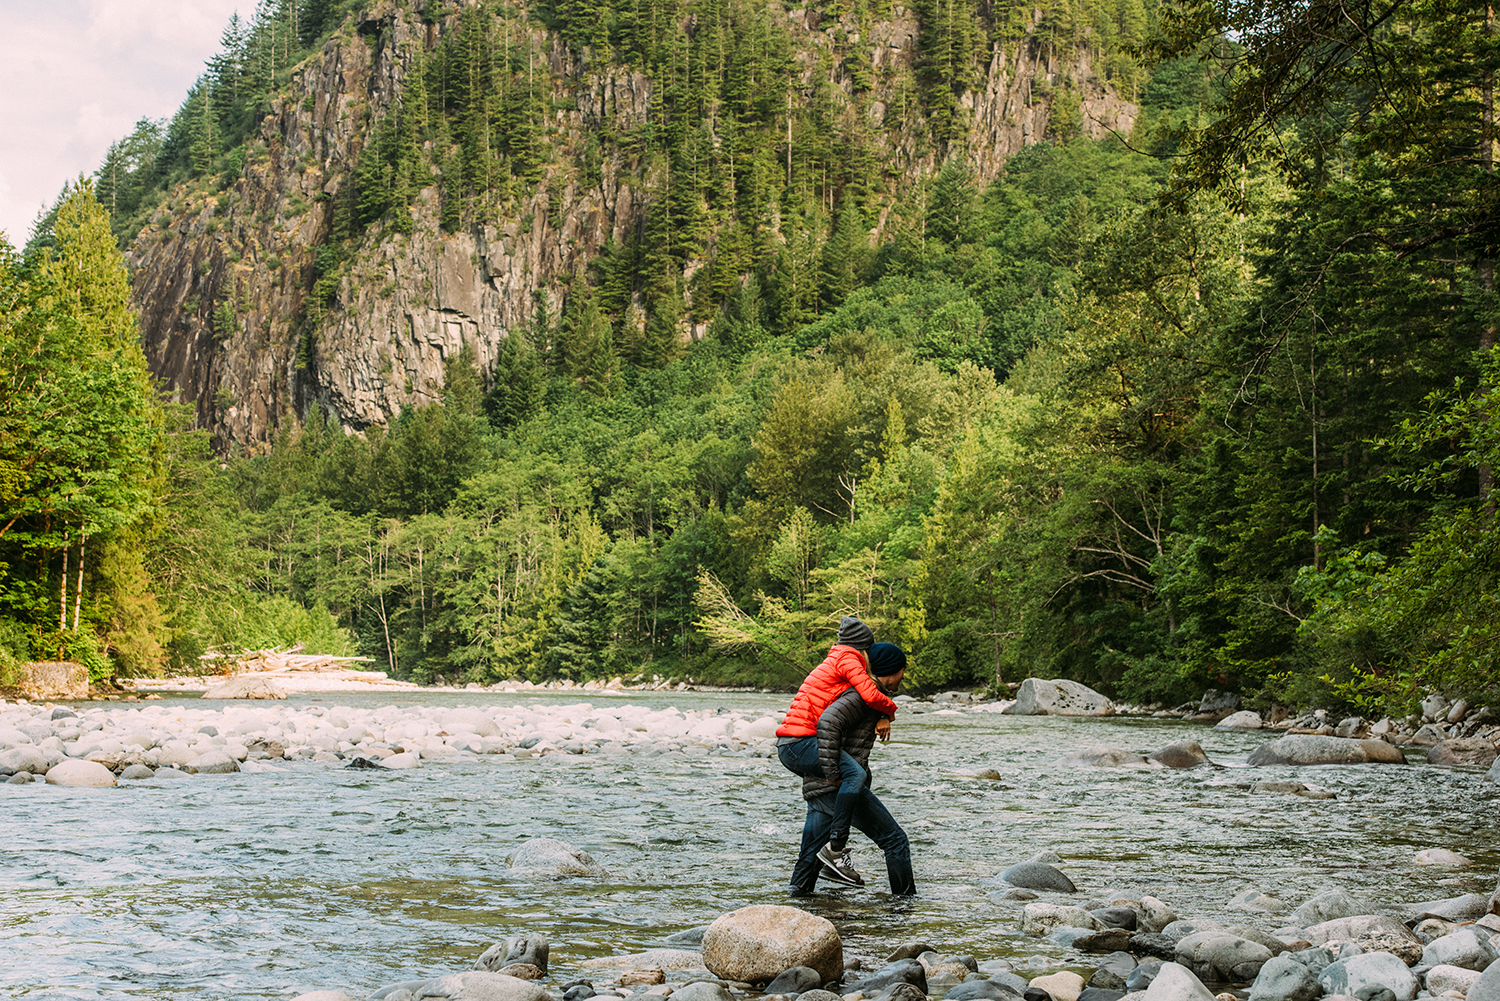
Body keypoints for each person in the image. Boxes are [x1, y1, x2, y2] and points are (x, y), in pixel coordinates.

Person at [775, 616, 900, 884]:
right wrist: (889, 710)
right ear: (862, 648)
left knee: (810, 851)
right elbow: (867, 695)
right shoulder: (848, 659)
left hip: (797, 742)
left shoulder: (837, 659)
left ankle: (801, 897)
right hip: (799, 742)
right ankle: (836, 849)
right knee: (853, 775)